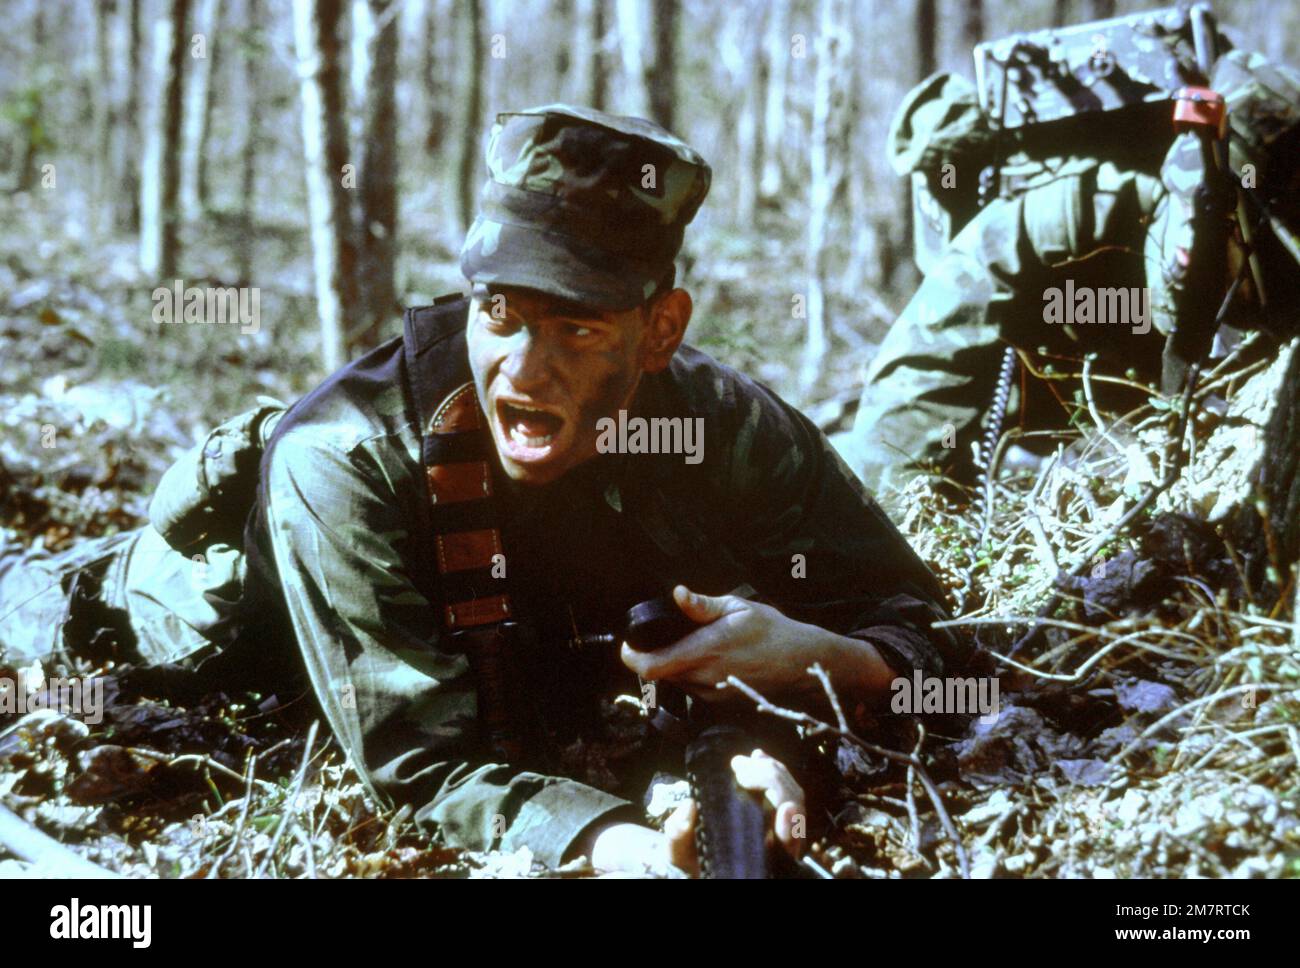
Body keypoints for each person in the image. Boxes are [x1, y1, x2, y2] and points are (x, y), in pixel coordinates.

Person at [1, 104, 965, 877]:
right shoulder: (342, 459)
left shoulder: (718, 422)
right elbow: (415, 764)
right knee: (35, 604)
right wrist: (614, 843)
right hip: (185, 620)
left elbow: (923, 621)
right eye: (498, 312)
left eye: (578, 330)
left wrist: (832, 664)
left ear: (660, 330)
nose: (523, 371)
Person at [836, 9, 1300, 500]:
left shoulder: (1017, 226)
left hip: (1150, 336)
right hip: (1088, 345)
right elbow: (941, 362)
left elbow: (909, 411)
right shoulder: (1069, 203)